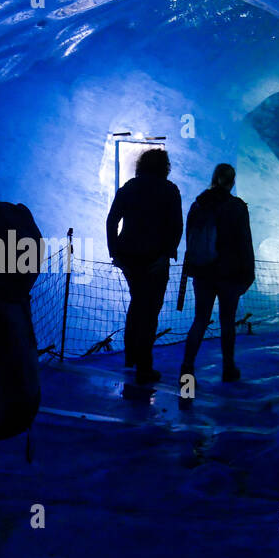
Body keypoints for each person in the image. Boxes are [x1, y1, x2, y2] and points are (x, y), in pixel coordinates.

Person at [105, 148, 182, 385]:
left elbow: (111, 221)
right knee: (149, 312)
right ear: (164, 167)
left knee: (138, 305)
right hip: (156, 259)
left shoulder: (129, 188)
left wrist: (115, 253)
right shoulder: (169, 190)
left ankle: (132, 358)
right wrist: (166, 254)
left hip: (130, 257)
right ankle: (144, 367)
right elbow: (176, 226)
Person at [180, 163, 255, 384]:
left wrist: (192, 267)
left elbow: (190, 239)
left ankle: (187, 369)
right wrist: (248, 273)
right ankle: (228, 368)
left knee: (200, 319)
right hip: (230, 273)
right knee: (227, 321)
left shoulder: (199, 204)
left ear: (214, 178)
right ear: (232, 181)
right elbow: (245, 243)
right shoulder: (237, 207)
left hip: (203, 272)